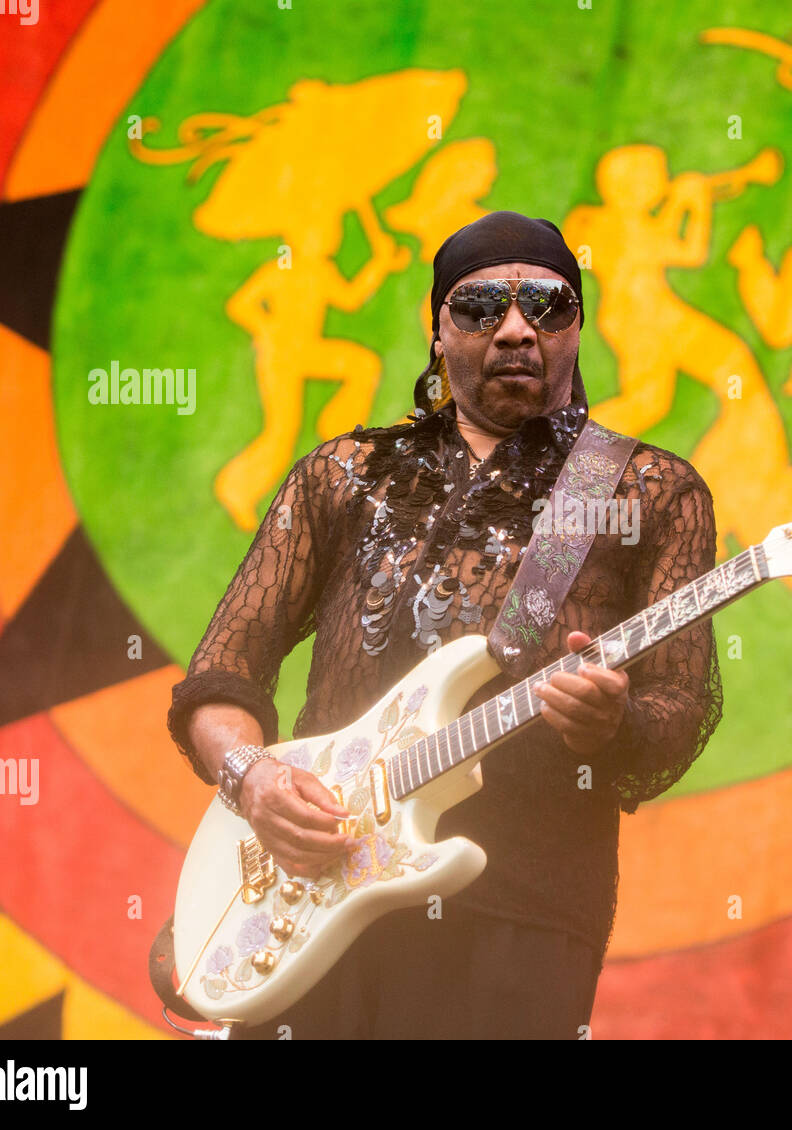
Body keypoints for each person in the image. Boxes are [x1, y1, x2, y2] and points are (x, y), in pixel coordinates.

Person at [166, 210, 723, 1039]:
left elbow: (680, 707)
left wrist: (613, 723)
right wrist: (253, 778)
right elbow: (222, 676)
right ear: (435, 330)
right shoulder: (345, 474)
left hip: (519, 911)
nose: (514, 331)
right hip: (314, 893)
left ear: (577, 327)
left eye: (545, 305)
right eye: (478, 307)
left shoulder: (645, 489)